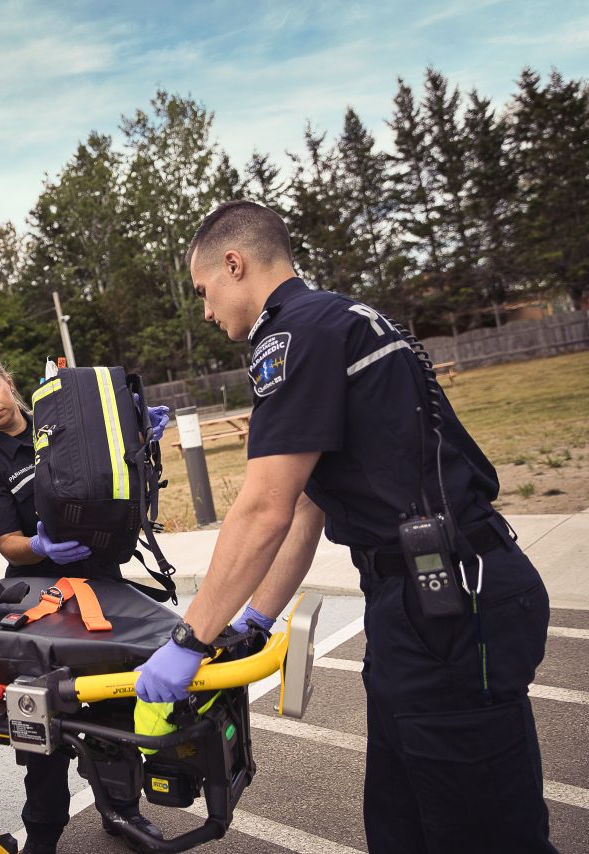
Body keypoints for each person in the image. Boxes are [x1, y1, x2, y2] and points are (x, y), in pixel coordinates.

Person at [134, 201, 555, 853]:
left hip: (447, 600)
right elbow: (307, 503)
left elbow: (264, 506)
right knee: (402, 824)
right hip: (417, 601)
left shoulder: (292, 334)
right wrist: (257, 619)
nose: (208, 312)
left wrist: (192, 637)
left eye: (204, 292)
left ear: (234, 264)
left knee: (485, 835)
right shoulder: (339, 318)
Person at [0, 348, 169, 854]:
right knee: (42, 720)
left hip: (98, 579)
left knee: (116, 700)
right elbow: (7, 543)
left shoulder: (61, 418)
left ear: (9, 381)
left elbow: (112, 467)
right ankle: (43, 836)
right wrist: (41, 547)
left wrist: (138, 439)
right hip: (39, 596)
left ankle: (121, 809)